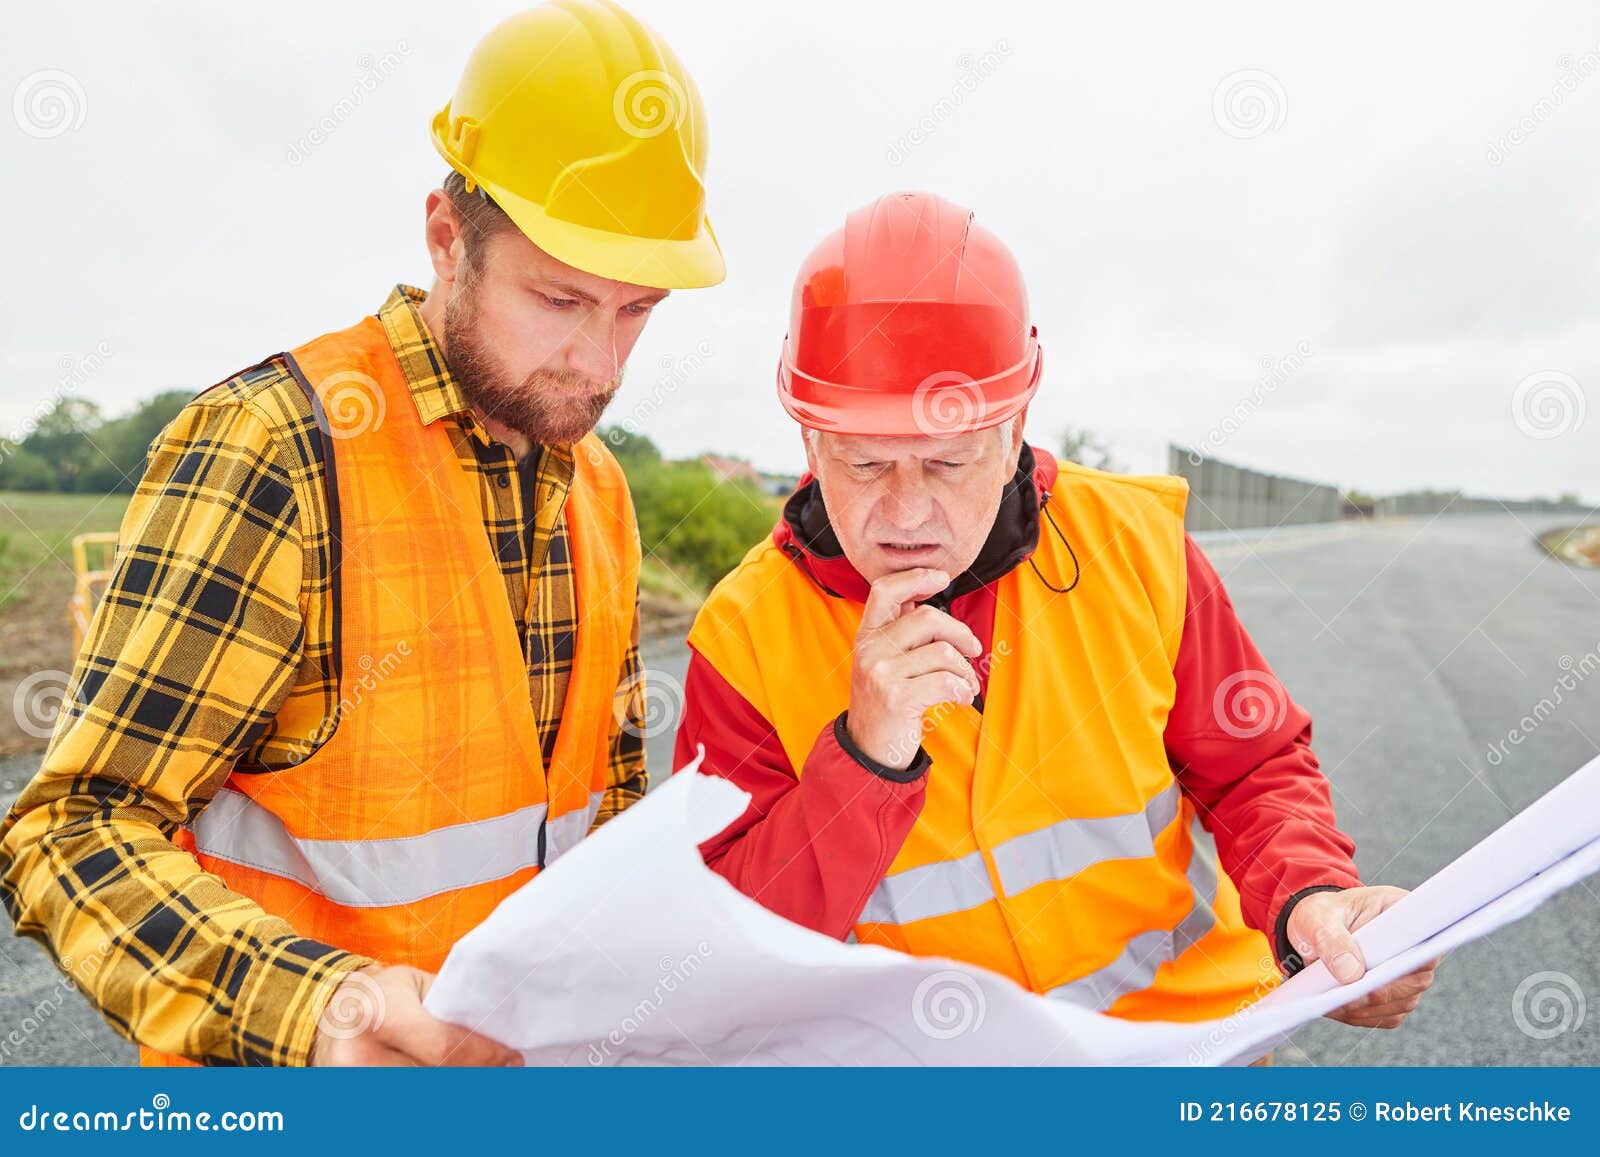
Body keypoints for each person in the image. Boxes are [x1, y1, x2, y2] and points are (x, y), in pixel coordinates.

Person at [0, 0, 723, 1067]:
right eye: (561, 298)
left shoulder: (598, 486)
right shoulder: (276, 452)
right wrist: (319, 1009)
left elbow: (601, 809)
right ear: (447, 236)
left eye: (636, 311)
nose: (598, 363)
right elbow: (74, 831)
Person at [675, 191, 1438, 1045]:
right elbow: (724, 957)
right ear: (809, 443)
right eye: (865, 463)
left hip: (1184, 1050)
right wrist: (862, 757)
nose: (907, 511)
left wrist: (1313, 896)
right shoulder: (743, 634)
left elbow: (1251, 765)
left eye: (948, 461)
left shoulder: (1137, 544)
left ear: (1015, 428)